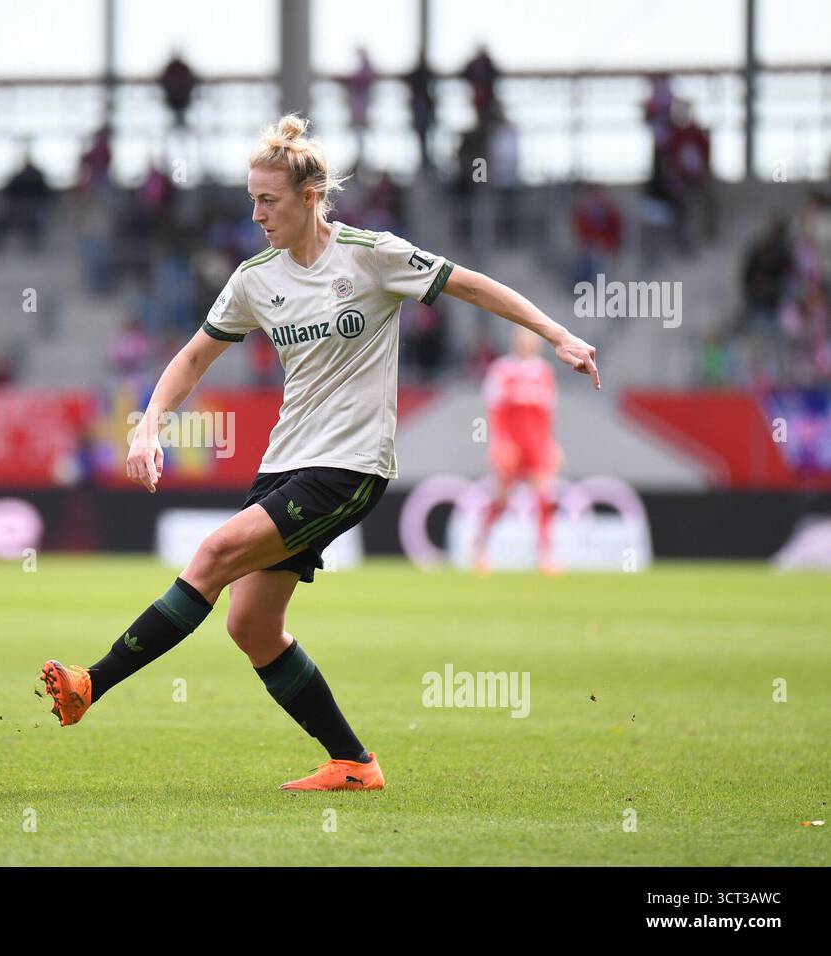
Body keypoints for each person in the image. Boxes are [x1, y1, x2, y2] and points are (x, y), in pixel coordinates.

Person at [40, 114, 599, 792]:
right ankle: (355, 764)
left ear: (309, 198)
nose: (256, 214)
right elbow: (192, 357)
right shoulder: (256, 279)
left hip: (352, 465)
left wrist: (557, 333)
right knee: (250, 626)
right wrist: (149, 423)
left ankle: (90, 683)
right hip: (286, 462)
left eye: (267, 201)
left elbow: (472, 283)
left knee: (212, 555)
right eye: (252, 200)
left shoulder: (371, 255)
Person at [473, 327, 563, 575]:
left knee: (544, 497)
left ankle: (546, 554)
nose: (526, 345)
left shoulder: (544, 372)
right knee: (501, 500)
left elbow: (547, 413)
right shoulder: (502, 370)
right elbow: (494, 410)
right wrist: (499, 443)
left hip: (535, 444)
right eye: (522, 340)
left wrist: (550, 445)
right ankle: (480, 548)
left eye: (530, 341)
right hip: (511, 444)